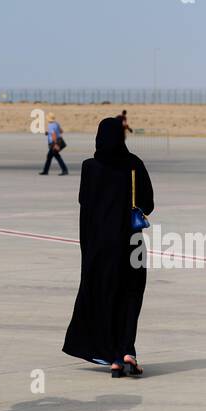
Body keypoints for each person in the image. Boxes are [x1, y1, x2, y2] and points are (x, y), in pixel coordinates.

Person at [62, 115, 155, 377]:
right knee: (131, 295)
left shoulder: (89, 167)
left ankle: (114, 355)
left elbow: (85, 205)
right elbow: (147, 204)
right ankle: (127, 350)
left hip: (100, 247)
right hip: (132, 245)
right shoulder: (134, 164)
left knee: (106, 296)